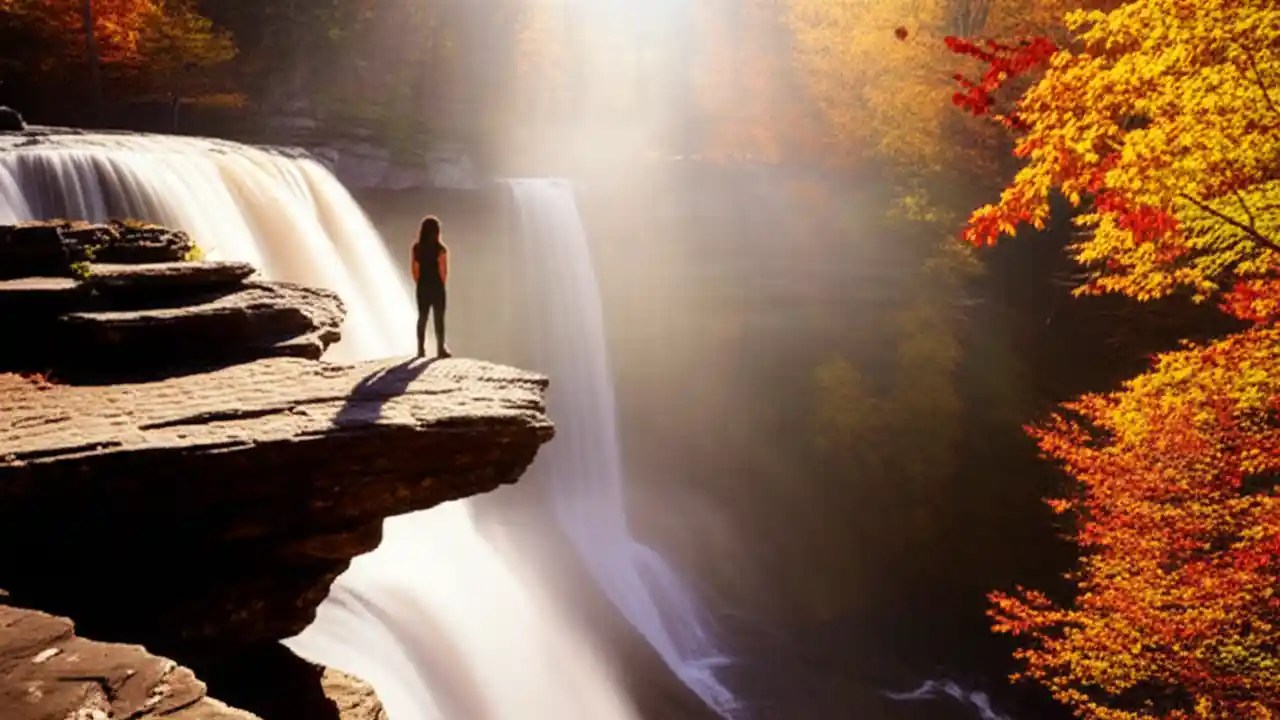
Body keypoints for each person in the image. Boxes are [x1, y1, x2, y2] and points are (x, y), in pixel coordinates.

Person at [412, 215, 451, 358]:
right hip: (437, 287)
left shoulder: (417, 248)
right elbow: (443, 271)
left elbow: (415, 269)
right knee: (439, 318)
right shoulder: (441, 249)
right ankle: (440, 349)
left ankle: (420, 350)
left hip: (422, 286)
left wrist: (420, 283)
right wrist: (440, 285)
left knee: (422, 317)